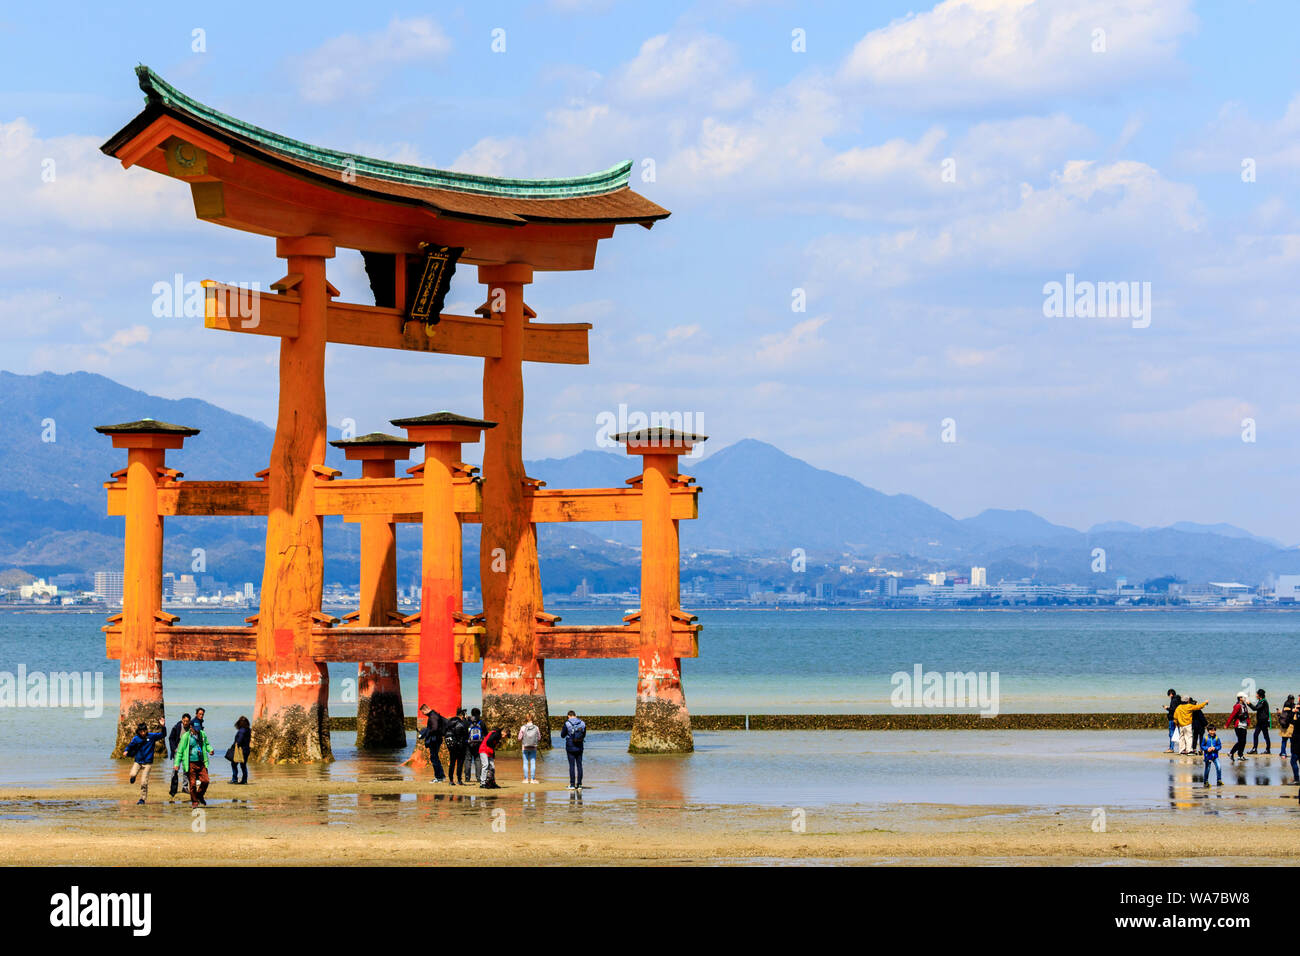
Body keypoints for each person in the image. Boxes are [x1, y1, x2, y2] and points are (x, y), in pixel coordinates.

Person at [125, 717, 167, 805]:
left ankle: (142, 799)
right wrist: (126, 750)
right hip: (138, 761)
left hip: (148, 763)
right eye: (141, 731)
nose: (143, 733)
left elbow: (163, 735)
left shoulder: (151, 736)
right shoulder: (136, 738)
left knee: (144, 782)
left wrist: (163, 726)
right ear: (138, 731)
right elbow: (130, 745)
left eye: (144, 731)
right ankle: (133, 777)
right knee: (132, 774)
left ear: (146, 730)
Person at [175, 716, 213, 808]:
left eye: (198, 729)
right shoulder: (185, 737)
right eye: (195, 729)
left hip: (201, 762)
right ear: (191, 727)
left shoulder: (202, 734)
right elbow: (180, 751)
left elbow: (206, 744)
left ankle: (199, 795)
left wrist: (210, 750)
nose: (197, 730)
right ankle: (194, 801)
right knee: (192, 784)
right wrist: (177, 764)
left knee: (206, 781)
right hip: (190, 763)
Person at [417, 704, 447, 782]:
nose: (423, 714)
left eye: (423, 712)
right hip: (437, 739)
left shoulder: (433, 716)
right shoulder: (434, 715)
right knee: (435, 757)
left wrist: (426, 732)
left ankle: (439, 777)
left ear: (425, 710)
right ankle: (441, 776)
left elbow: (435, 728)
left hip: (435, 740)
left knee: (434, 758)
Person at [561, 710, 586, 791]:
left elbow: (562, 735)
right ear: (575, 715)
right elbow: (584, 734)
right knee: (579, 765)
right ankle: (579, 785)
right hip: (579, 746)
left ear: (569, 716)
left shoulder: (567, 723)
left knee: (571, 766)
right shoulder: (582, 723)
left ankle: (572, 784)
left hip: (570, 746)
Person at [168, 712, 192, 794]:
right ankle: (173, 788)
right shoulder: (177, 727)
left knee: (186, 769)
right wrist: (174, 749)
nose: (185, 723)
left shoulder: (191, 728)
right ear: (182, 720)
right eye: (184, 721)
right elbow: (171, 738)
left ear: (189, 721)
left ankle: (185, 787)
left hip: (187, 752)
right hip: (177, 752)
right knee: (175, 769)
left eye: (187, 721)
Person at [445, 709, 469, 785]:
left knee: (452, 763)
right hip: (460, 746)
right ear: (462, 715)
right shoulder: (461, 723)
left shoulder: (449, 722)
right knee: (460, 763)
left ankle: (451, 780)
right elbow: (464, 734)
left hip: (451, 745)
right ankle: (459, 780)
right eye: (465, 715)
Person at [1226, 693, 1250, 760]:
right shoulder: (1237, 706)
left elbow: (1246, 714)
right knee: (1240, 741)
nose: (1245, 699)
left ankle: (1240, 755)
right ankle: (1231, 752)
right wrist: (1227, 724)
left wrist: (1248, 722)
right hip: (1239, 726)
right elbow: (1232, 715)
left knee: (1244, 741)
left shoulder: (1244, 705)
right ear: (1240, 698)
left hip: (1244, 725)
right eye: (1244, 697)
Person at [518, 714, 541, 784]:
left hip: (525, 747)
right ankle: (532, 779)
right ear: (533, 719)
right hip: (533, 747)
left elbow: (519, 738)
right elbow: (539, 738)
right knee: (533, 763)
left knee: (525, 763)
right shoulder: (536, 727)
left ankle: (526, 779)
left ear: (526, 719)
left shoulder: (522, 727)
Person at [227, 716, 251, 784]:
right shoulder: (248, 730)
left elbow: (239, 741)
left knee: (234, 764)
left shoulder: (241, 731)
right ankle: (244, 780)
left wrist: (233, 746)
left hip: (241, 750)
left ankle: (234, 779)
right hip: (247, 750)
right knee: (243, 765)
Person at [465, 707, 485, 783]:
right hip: (479, 744)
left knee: (468, 760)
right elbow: (485, 734)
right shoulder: (481, 722)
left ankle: (467, 778)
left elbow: (464, 732)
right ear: (479, 714)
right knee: (478, 760)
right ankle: (479, 778)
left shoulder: (467, 722)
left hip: (468, 744)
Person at [1247, 689, 1271, 754]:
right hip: (1260, 722)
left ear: (1260, 695)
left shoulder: (1263, 702)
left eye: (1257, 694)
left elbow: (1255, 708)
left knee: (1266, 736)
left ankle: (1268, 750)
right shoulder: (1260, 701)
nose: (1256, 695)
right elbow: (1255, 708)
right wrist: (1249, 704)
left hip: (1263, 722)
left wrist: (1249, 704)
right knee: (1255, 735)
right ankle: (1255, 749)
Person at [1278, 695, 1294, 760]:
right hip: (1290, 726)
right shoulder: (1292, 706)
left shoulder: (1285, 704)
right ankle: (1293, 753)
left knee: (1284, 740)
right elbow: (1291, 715)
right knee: (1292, 741)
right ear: (1292, 699)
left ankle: (1283, 753)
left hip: (1283, 725)